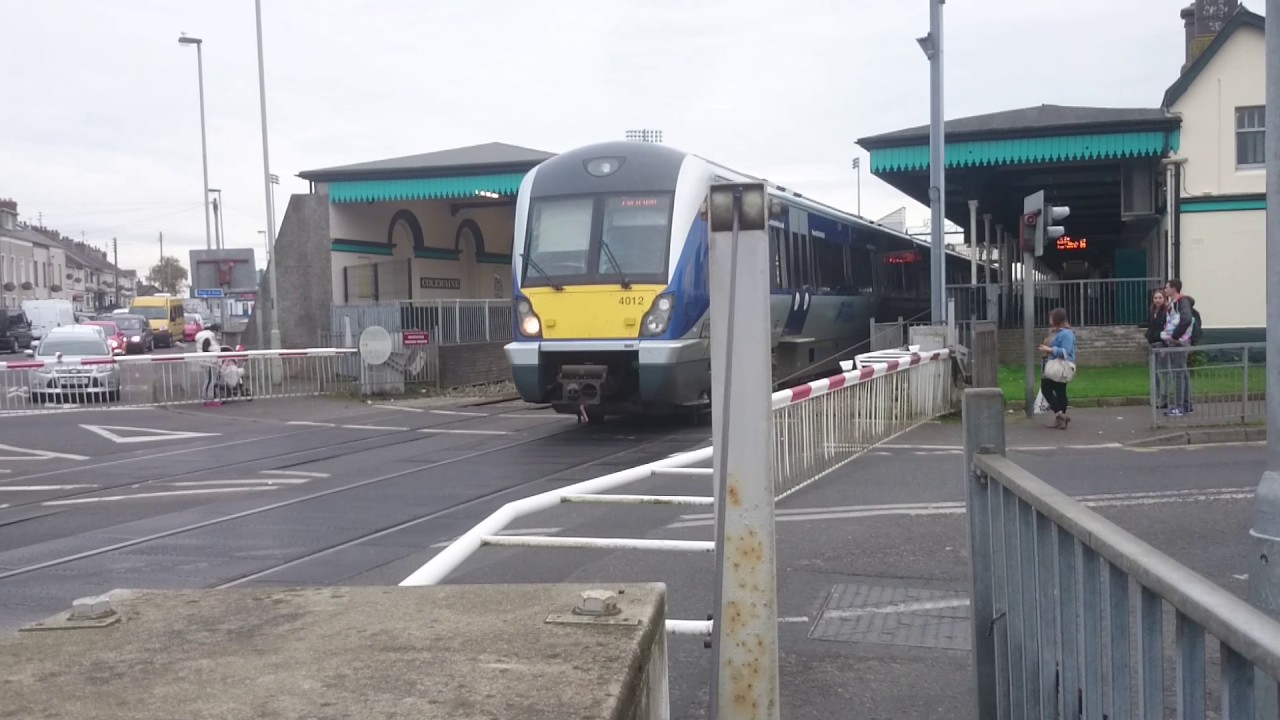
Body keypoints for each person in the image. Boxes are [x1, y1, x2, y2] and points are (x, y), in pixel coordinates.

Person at [1161, 279, 1195, 417]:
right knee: (1183, 371)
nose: (1165, 290)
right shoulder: (1174, 303)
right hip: (1179, 341)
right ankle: (1187, 404)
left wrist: (1175, 336)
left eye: (1167, 287)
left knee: (1179, 372)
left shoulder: (1181, 302)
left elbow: (1186, 319)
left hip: (1179, 342)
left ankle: (1180, 406)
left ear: (1174, 289)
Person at [1038, 307, 1076, 430]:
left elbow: (1066, 352)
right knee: (1056, 390)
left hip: (1059, 366)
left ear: (1057, 319)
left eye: (1051, 317)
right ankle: (1060, 418)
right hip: (1051, 364)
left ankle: (1060, 416)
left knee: (1050, 390)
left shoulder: (1066, 333)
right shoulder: (1056, 332)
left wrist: (1049, 349)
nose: (1049, 319)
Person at [1144, 288, 1170, 408]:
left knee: (1165, 372)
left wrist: (1165, 343)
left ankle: (1164, 398)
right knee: (1154, 373)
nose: (1157, 300)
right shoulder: (1152, 311)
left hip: (1162, 344)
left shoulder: (1167, 312)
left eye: (1160, 298)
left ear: (1164, 299)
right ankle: (1156, 398)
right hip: (1152, 344)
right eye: (1155, 298)